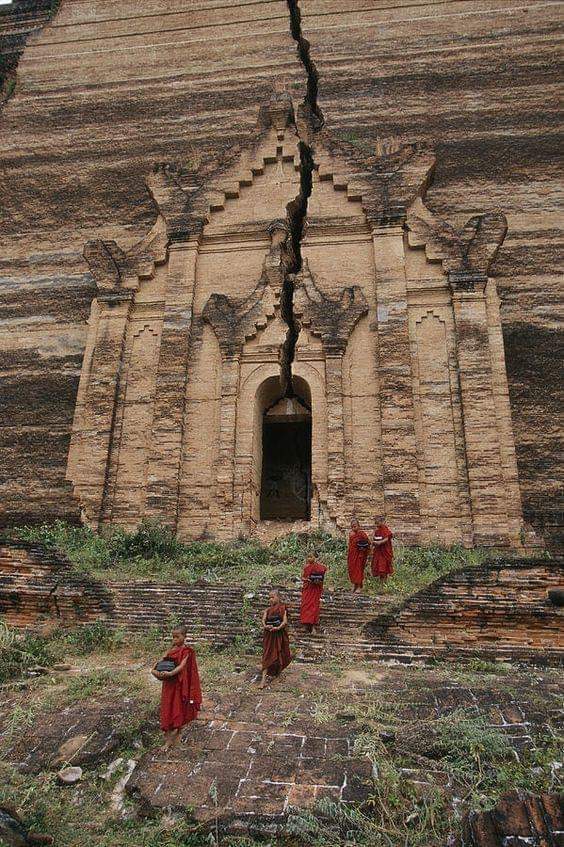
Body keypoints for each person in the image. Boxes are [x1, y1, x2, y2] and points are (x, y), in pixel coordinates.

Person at [151, 625, 202, 750]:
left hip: (179, 685)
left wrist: (170, 673)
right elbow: (160, 661)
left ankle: (178, 732)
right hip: (168, 685)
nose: (175, 639)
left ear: (184, 637)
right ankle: (168, 740)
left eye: (177, 637)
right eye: (173, 637)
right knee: (167, 709)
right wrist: (154, 671)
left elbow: (182, 666)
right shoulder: (171, 649)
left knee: (178, 709)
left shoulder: (186, 652)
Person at [259, 589, 292, 689]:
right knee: (267, 655)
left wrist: (278, 627)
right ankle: (263, 680)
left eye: (273, 597)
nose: (271, 599)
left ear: (278, 597)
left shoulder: (283, 608)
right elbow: (263, 620)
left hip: (279, 635)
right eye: (269, 597)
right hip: (269, 635)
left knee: (280, 653)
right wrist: (265, 626)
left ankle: (278, 673)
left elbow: (285, 621)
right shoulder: (267, 610)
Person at [299, 552, 328, 634]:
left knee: (314, 606)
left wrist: (318, 581)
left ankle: (312, 626)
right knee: (305, 605)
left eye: (311, 557)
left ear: (315, 558)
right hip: (308, 589)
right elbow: (302, 577)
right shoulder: (305, 567)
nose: (309, 559)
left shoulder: (319, 567)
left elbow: (322, 575)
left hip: (315, 589)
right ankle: (306, 625)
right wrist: (307, 579)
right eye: (308, 557)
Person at [347, 518, 371, 592]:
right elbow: (350, 545)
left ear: (359, 526)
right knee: (352, 570)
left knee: (359, 570)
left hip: (360, 555)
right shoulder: (351, 534)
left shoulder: (362, 534)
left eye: (355, 526)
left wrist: (364, 550)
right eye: (352, 527)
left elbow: (368, 543)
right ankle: (354, 584)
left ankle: (359, 586)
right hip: (352, 555)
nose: (354, 528)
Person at [371, 516, 394, 583]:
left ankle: (385, 582)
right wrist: (373, 543)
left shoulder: (385, 529)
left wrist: (379, 542)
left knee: (384, 566)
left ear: (382, 522)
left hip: (384, 552)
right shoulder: (377, 531)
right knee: (379, 566)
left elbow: (386, 539)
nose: (376, 525)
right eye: (376, 523)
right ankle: (381, 581)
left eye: (378, 523)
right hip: (378, 551)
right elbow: (374, 539)